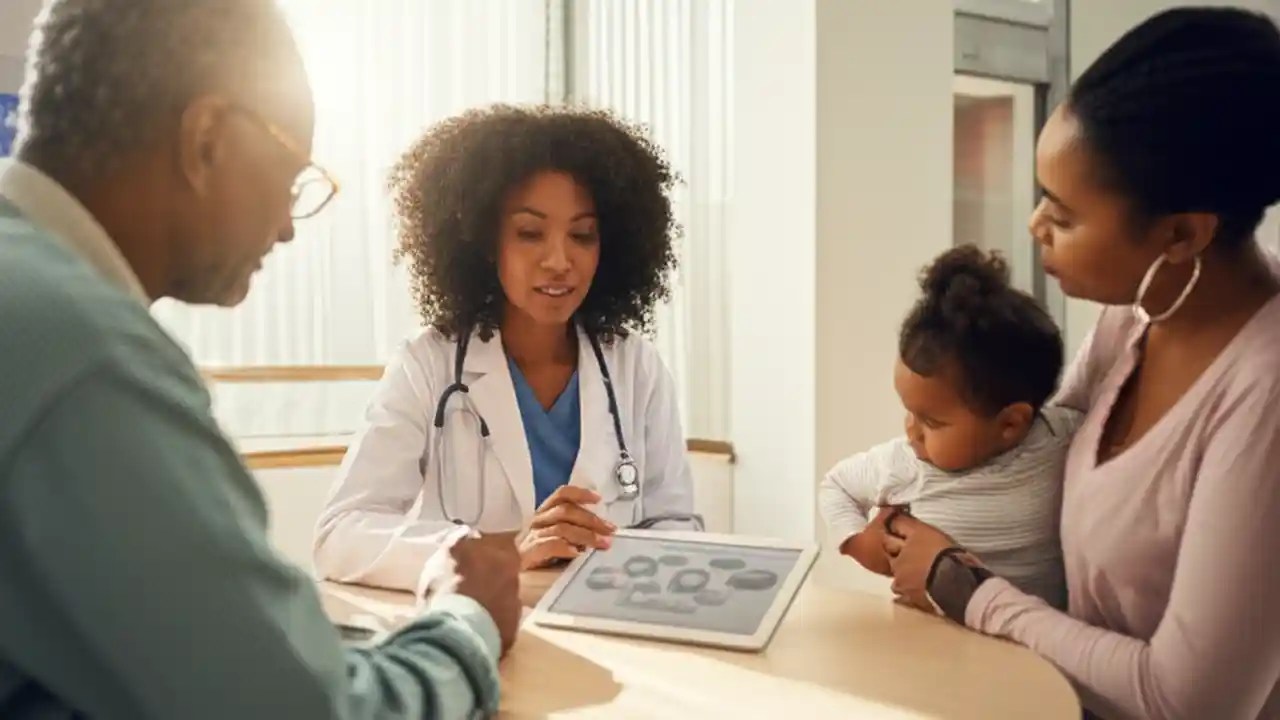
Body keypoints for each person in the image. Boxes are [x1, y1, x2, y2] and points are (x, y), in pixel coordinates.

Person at [0, 1, 521, 718]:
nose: (283, 226)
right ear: (206, 139)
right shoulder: (86, 356)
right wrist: (466, 619)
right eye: (291, 175)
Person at [882, 8, 1280, 719]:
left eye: (1063, 216)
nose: (1035, 227)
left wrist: (965, 587)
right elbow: (1033, 452)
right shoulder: (1139, 312)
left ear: (1183, 234)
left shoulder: (1263, 394)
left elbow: (1187, 698)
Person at [313, 105, 702, 592]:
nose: (560, 261)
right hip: (485, 626)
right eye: (529, 233)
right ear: (484, 240)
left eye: (582, 235)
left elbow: (679, 526)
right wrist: (499, 551)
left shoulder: (635, 368)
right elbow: (340, 535)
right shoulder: (428, 365)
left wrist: (613, 553)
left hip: (609, 624)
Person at [819, 245, 1078, 607]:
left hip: (1035, 645)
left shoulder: (1063, 438)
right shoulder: (908, 464)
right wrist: (860, 543)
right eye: (910, 412)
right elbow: (836, 486)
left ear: (1010, 423)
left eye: (931, 421)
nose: (911, 432)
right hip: (936, 642)